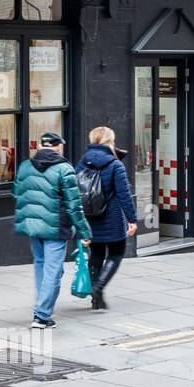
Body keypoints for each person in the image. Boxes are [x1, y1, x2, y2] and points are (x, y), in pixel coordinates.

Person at [12, 131, 91, 329]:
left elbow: (17, 193)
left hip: (32, 225)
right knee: (53, 270)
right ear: (58, 147)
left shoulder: (25, 166)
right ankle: (42, 315)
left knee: (41, 265)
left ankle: (42, 307)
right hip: (56, 227)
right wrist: (84, 232)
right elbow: (74, 205)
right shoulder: (64, 168)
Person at [75, 126, 139, 311]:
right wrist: (132, 219)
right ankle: (99, 287)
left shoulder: (82, 162)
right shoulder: (114, 164)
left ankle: (96, 299)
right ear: (110, 142)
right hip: (111, 218)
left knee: (96, 254)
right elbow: (124, 195)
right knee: (117, 253)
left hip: (89, 218)